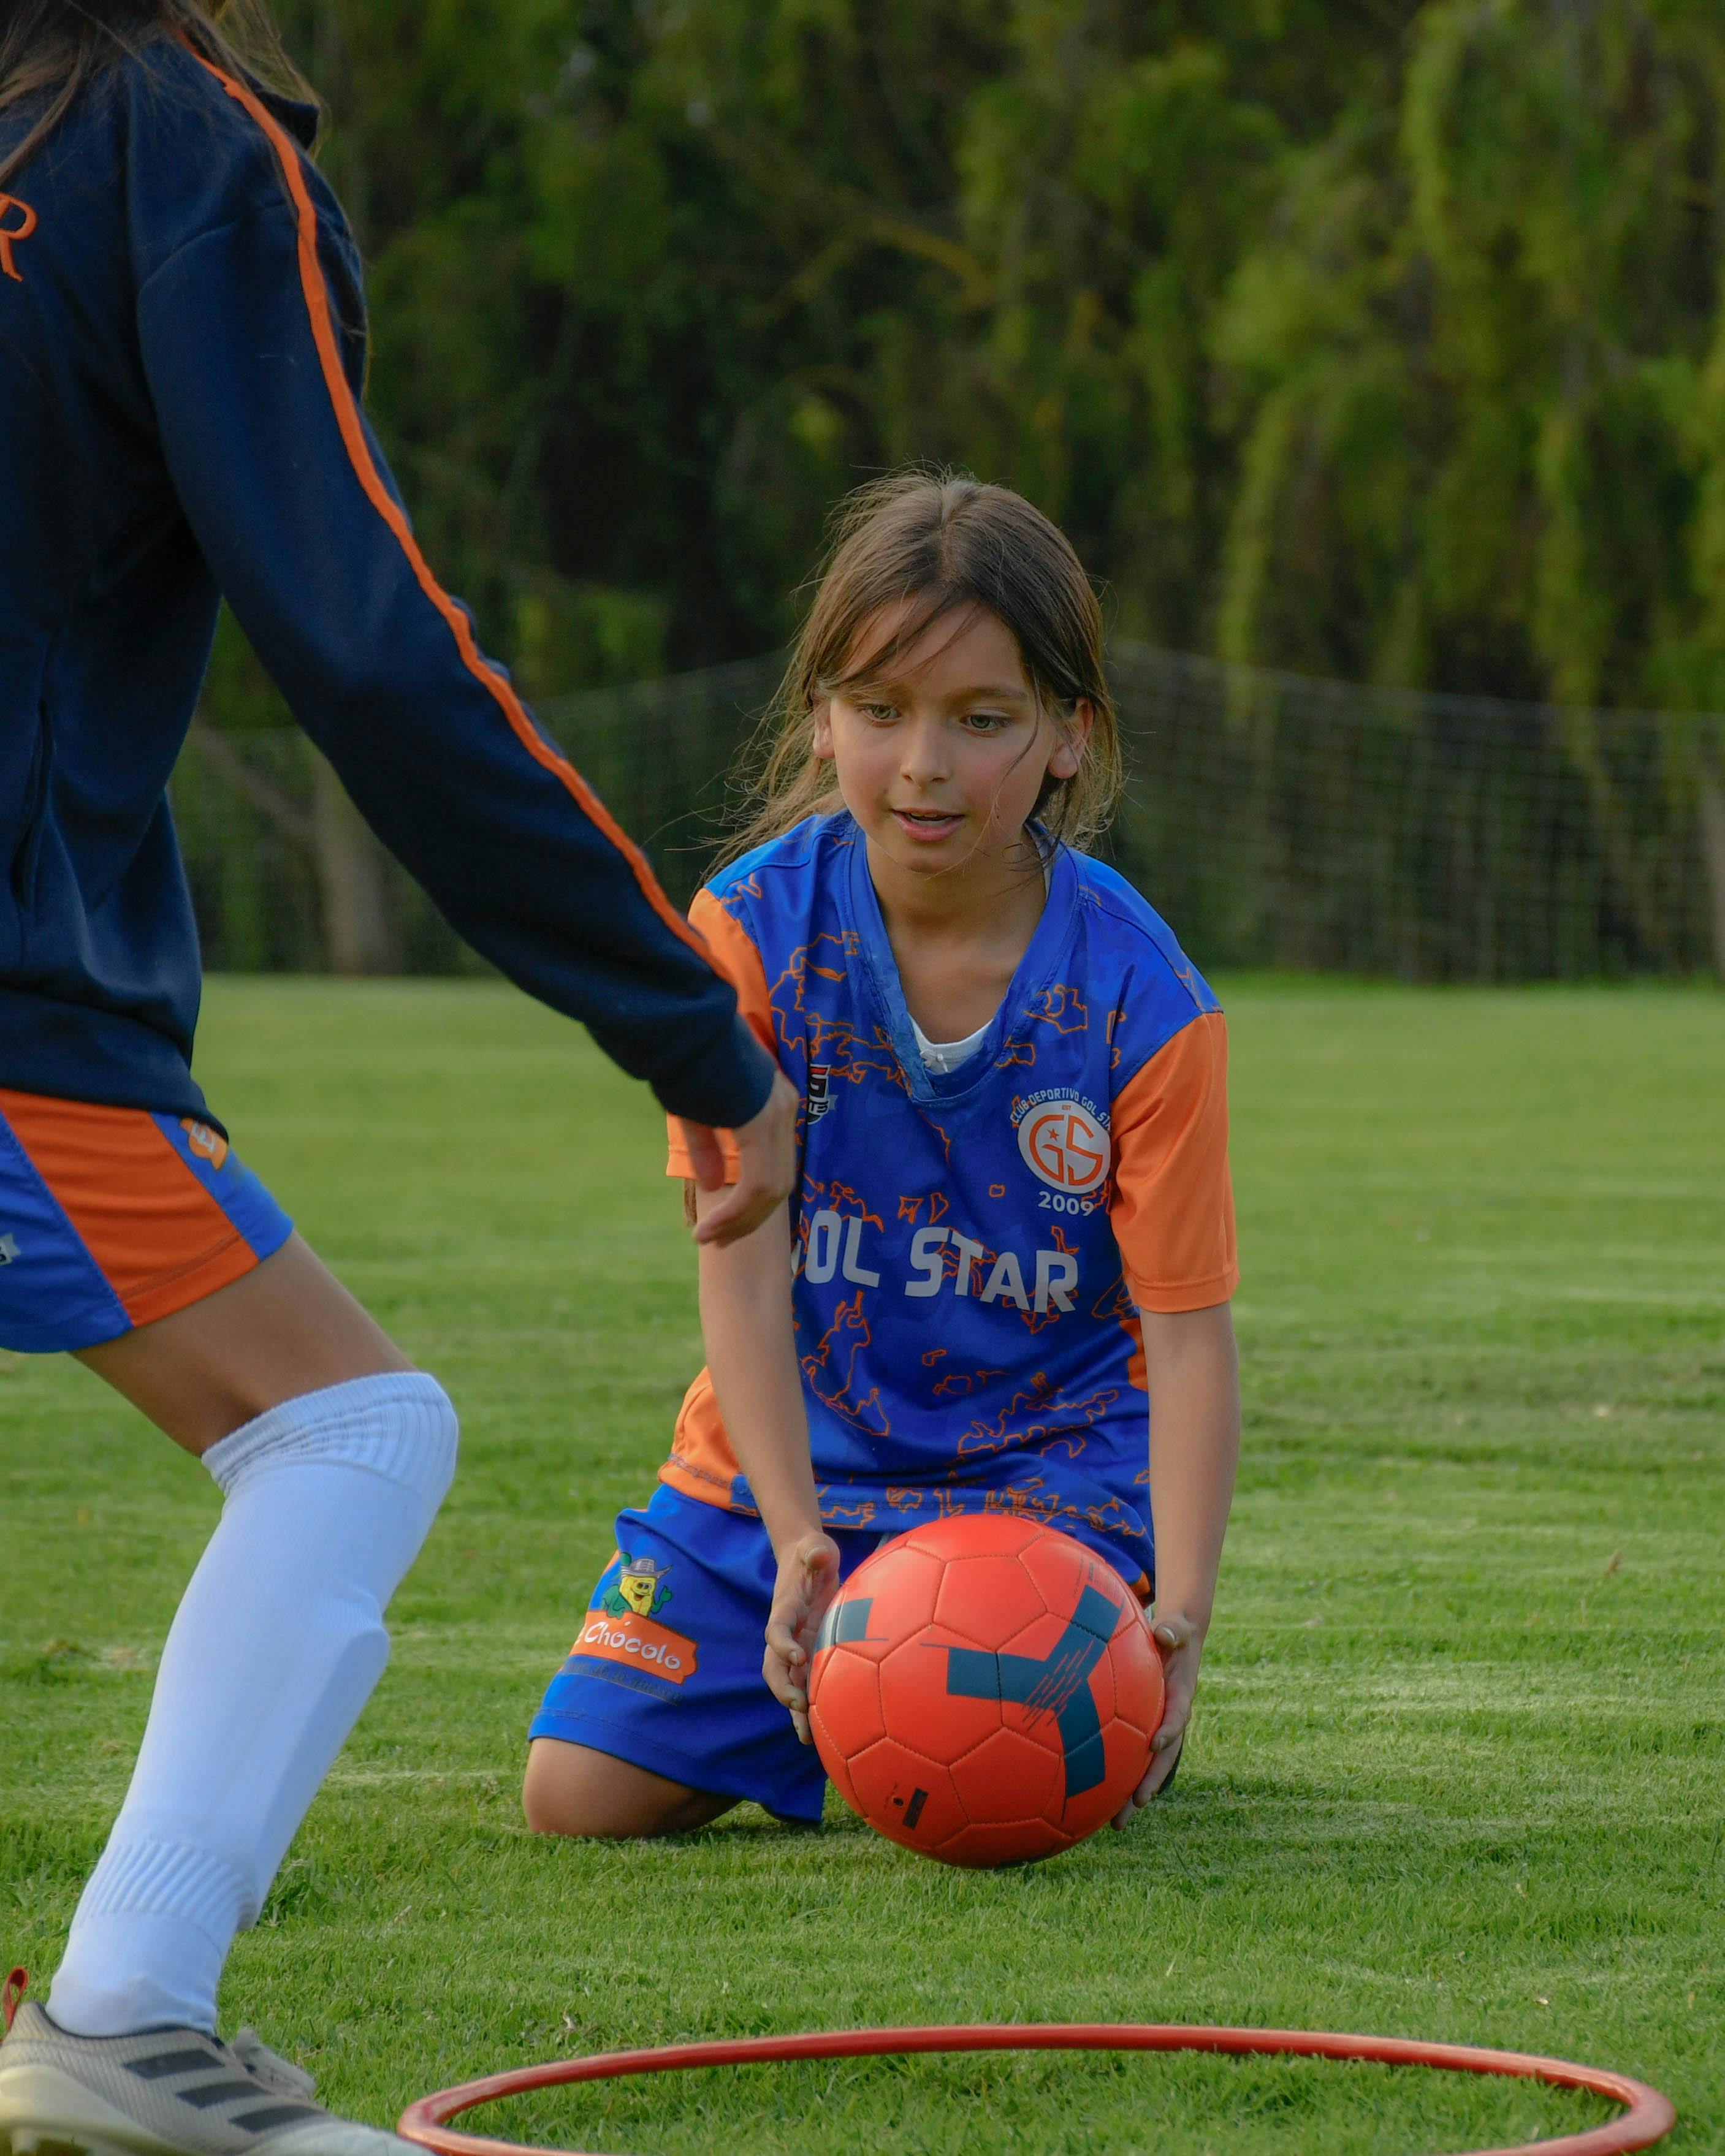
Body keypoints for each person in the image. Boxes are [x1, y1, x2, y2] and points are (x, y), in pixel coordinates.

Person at [0, 2, 796, 2150]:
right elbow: (365, 640)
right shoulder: (173, 143)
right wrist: (685, 1018)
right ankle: (128, 2008)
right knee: (350, 1425)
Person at [522, 472, 1241, 1842]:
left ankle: (942, 1717)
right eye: (880, 710)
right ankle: (871, 1717)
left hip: (1045, 1474)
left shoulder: (1149, 1002)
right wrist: (798, 1537)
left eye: (983, 721)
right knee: (578, 1798)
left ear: (1067, 738)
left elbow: (1188, 1333)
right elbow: (737, 1263)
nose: (924, 762)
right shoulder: (741, 942)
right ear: (820, 716)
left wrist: (1181, 1611)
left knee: (1013, 1800)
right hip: (789, 1465)